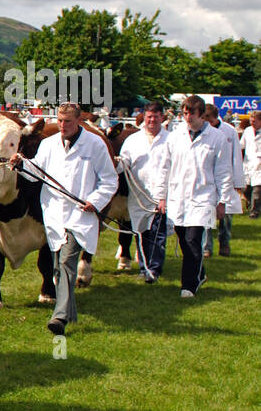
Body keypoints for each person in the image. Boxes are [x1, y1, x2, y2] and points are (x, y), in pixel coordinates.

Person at [11, 102, 117, 335]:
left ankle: (59, 318)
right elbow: (38, 173)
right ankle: (70, 311)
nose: (62, 126)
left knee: (67, 262)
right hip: (55, 213)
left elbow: (110, 180)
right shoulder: (48, 144)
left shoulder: (95, 144)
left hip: (80, 215)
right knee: (58, 266)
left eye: (67, 121)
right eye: (59, 121)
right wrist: (22, 164)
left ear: (79, 121)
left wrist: (95, 201)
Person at [166, 96, 230, 298]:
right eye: (185, 113)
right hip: (178, 196)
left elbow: (223, 171)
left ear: (202, 114)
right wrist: (161, 197)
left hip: (203, 196)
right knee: (183, 239)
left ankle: (189, 285)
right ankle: (200, 273)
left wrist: (222, 201)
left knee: (194, 240)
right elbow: (165, 167)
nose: (188, 118)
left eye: (192, 113)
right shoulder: (175, 136)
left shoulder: (217, 138)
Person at [119, 101, 172, 283]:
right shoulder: (133, 140)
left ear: (162, 118)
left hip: (162, 194)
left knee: (157, 233)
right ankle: (144, 267)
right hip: (138, 194)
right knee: (141, 232)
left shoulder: (170, 140)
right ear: (144, 117)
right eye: (149, 117)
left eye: (156, 117)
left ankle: (154, 268)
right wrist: (112, 162)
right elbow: (123, 163)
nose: (152, 120)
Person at [204, 105, 244, 256]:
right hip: (208, 178)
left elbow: (236, 156)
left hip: (227, 177)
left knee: (226, 215)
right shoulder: (203, 131)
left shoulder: (229, 131)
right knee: (207, 213)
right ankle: (207, 246)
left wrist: (238, 181)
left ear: (215, 118)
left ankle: (224, 243)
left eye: (210, 120)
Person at [241, 110, 261, 218]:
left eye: (254, 121)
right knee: (245, 188)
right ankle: (250, 202)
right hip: (248, 163)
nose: (252, 123)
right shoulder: (247, 131)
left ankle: (254, 212)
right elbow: (242, 145)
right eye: (251, 121)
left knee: (257, 189)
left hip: (259, 164)